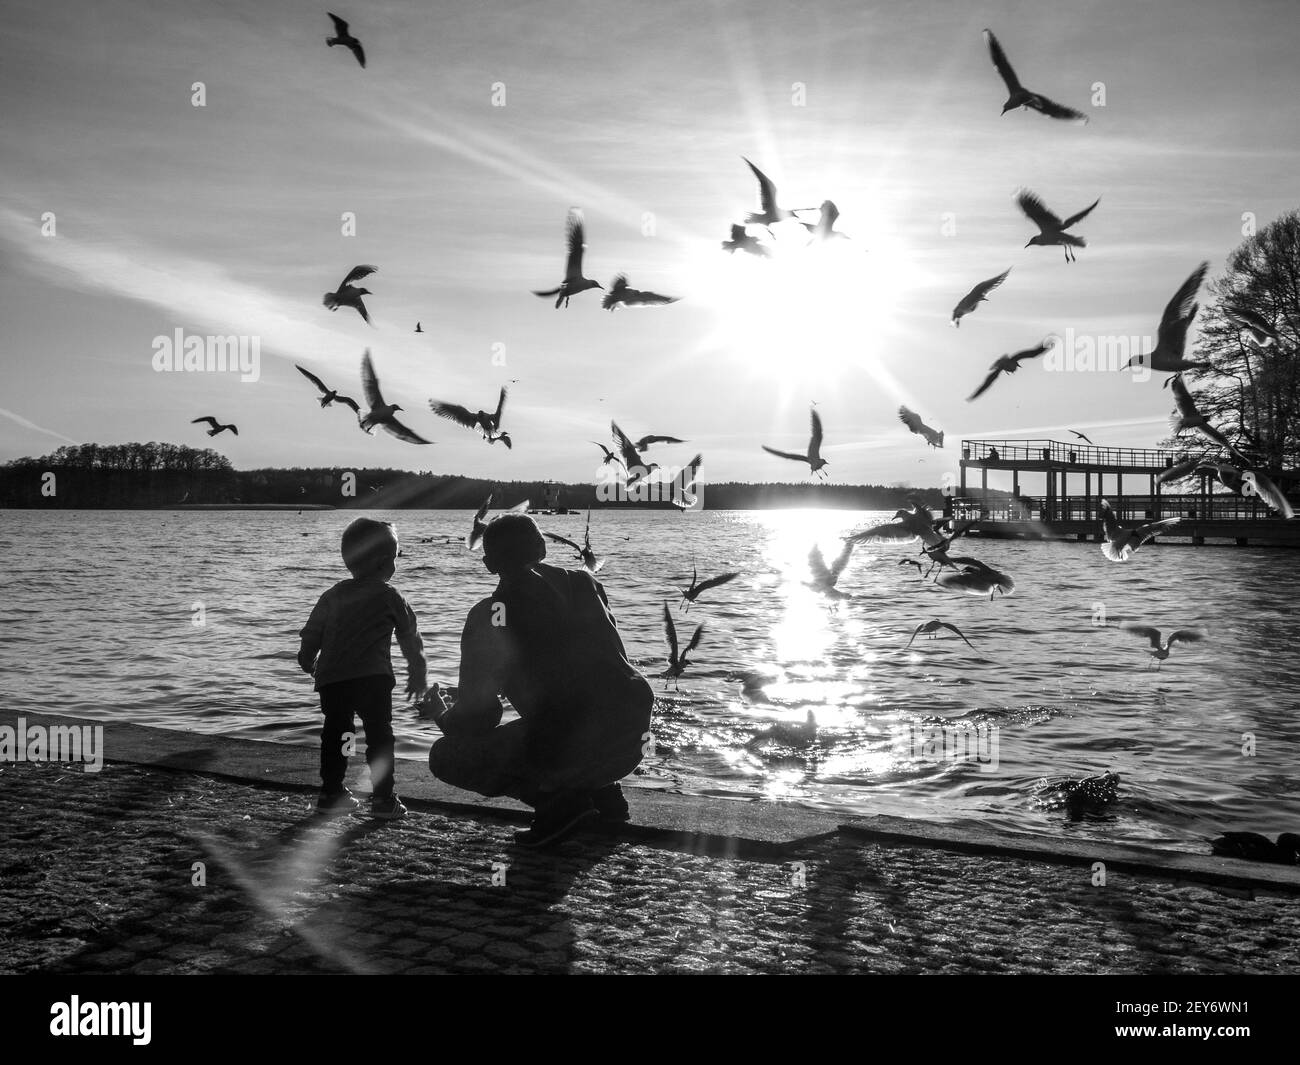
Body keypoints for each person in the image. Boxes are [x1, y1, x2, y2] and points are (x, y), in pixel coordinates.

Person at [427, 514, 653, 847]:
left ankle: (559, 806)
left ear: (489, 564)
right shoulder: (586, 584)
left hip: (573, 741)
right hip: (633, 731)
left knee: (446, 756)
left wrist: (441, 715)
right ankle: (602, 795)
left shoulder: (490, 615)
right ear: (543, 548)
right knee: (569, 708)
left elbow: (479, 717)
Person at [298, 518, 427, 819]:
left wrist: (307, 657)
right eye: (396, 557)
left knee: (338, 734)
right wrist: (417, 671)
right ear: (385, 563)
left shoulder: (333, 595)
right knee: (379, 737)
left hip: (333, 679)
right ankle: (383, 799)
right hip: (372, 679)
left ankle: (331, 792)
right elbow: (410, 637)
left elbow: (312, 631)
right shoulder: (390, 596)